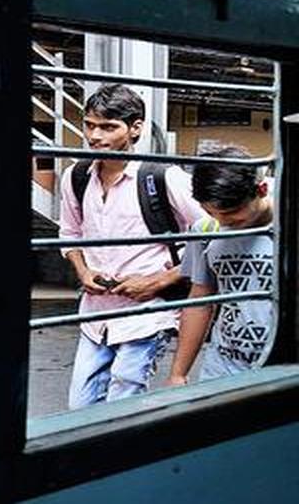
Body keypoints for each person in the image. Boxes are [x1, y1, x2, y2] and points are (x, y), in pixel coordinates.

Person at [58, 84, 205, 408]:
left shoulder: (164, 178)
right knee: (79, 407)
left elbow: (213, 232)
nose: (95, 136)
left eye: (108, 127)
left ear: (135, 127)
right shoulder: (76, 176)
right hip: (95, 316)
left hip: (147, 314)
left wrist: (161, 280)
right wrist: (82, 271)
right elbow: (69, 233)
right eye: (90, 125)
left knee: (124, 402)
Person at [168, 145, 275, 385]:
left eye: (232, 213)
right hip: (223, 368)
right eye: (211, 212)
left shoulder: (289, 217)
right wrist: (178, 373)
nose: (222, 222)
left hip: (284, 370)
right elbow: (200, 302)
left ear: (262, 190)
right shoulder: (206, 229)